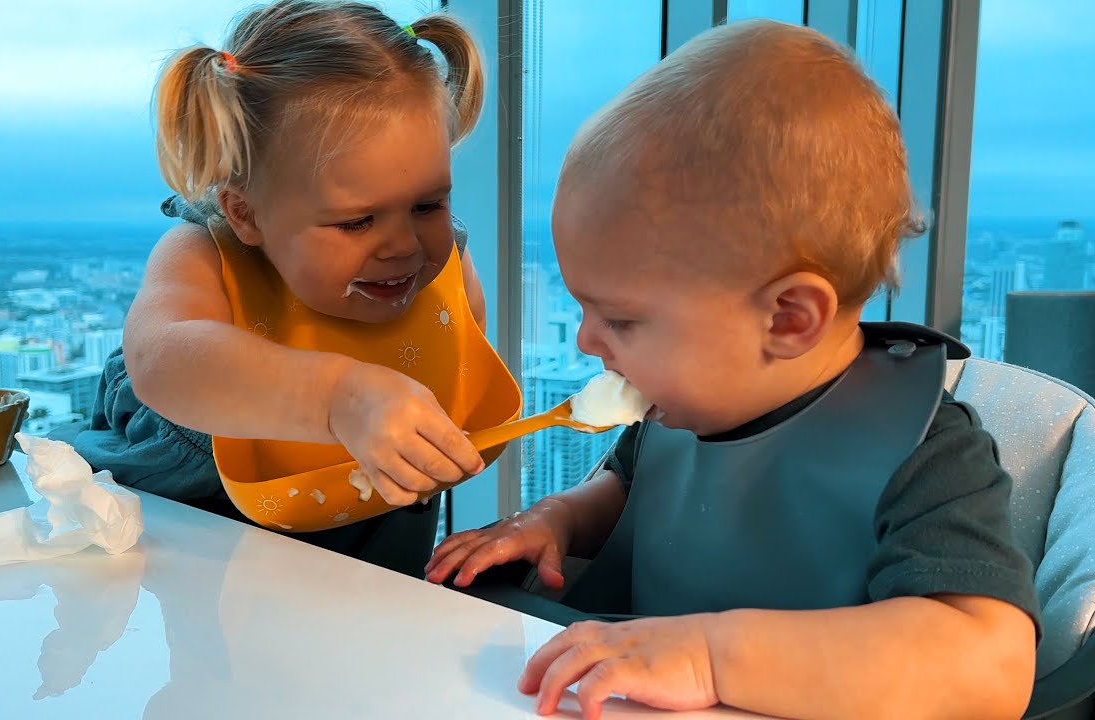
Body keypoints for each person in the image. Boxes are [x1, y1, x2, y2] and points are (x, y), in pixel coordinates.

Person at [427, 20, 1040, 719]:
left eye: (621, 320)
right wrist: (556, 519)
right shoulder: (681, 406)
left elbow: (990, 661)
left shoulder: (924, 454)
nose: (588, 342)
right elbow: (631, 490)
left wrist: (712, 657)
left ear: (787, 319)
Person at [72, 0, 516, 578]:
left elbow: (461, 349)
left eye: (428, 204)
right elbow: (160, 360)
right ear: (245, 214)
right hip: (184, 546)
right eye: (357, 221)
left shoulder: (447, 258)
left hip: (362, 555)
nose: (404, 245)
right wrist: (337, 399)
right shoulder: (207, 254)